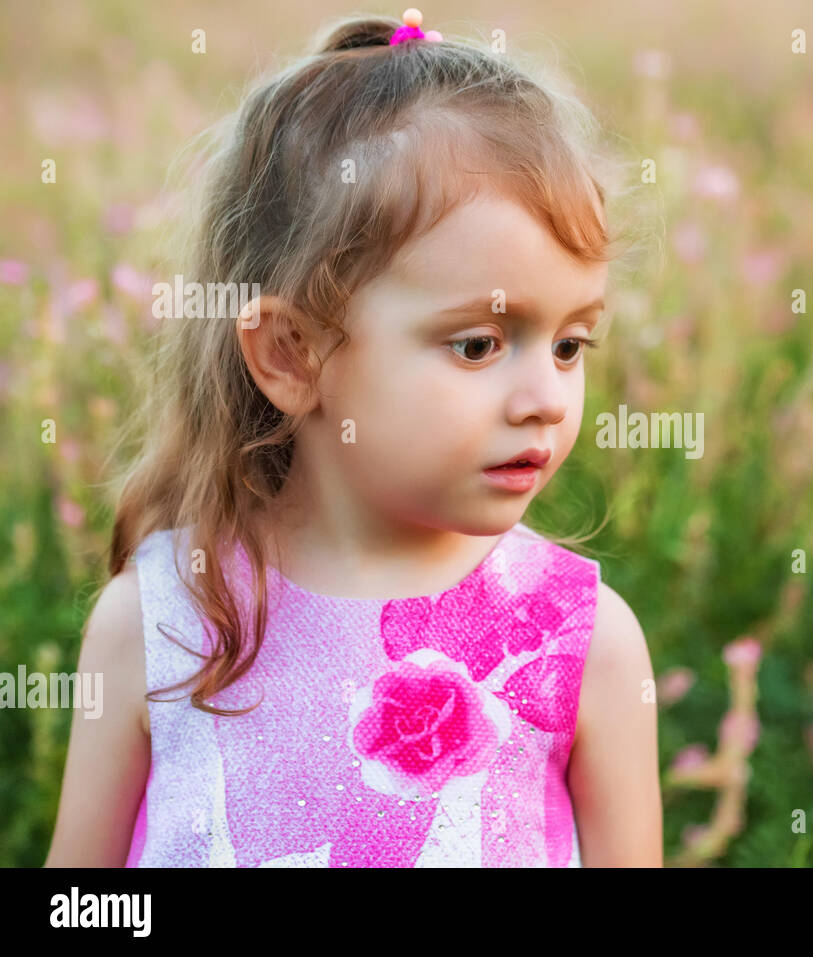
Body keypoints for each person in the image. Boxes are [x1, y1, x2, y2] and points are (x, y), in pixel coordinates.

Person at [44, 9, 662, 867]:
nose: (546, 398)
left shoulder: (576, 639)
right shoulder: (162, 625)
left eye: (569, 344)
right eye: (478, 344)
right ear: (292, 356)